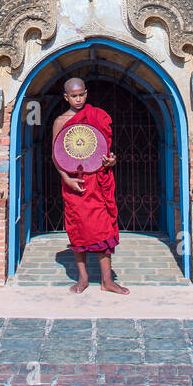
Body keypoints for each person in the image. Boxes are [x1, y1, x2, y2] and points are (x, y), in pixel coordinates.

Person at [52, 77, 129, 295]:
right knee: (78, 230)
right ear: (66, 97)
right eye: (73, 96)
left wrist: (111, 161)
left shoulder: (97, 116)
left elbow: (104, 151)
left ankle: (107, 280)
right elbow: (56, 155)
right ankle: (83, 278)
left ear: (86, 93)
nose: (78, 99)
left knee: (103, 228)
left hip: (97, 182)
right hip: (74, 184)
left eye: (81, 95)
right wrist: (66, 178)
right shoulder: (60, 121)